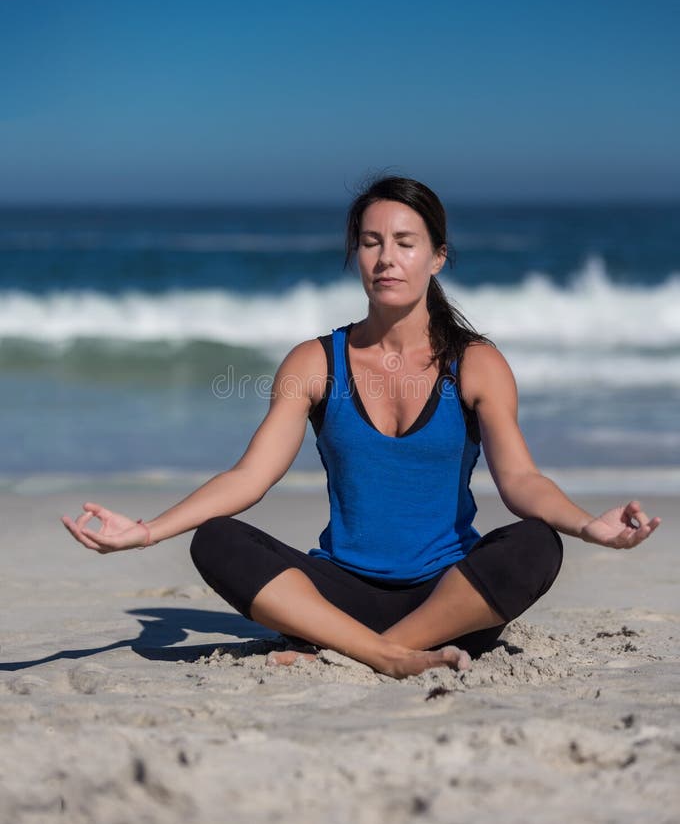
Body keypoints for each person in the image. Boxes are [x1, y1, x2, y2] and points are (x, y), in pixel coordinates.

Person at [62, 176, 660, 679]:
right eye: (371, 243)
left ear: (437, 256)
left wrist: (588, 525)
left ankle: (364, 648)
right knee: (215, 539)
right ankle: (384, 654)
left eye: (405, 242)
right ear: (356, 256)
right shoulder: (314, 362)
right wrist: (147, 531)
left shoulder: (476, 364)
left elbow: (521, 480)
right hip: (336, 595)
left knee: (537, 544)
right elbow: (250, 476)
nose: (386, 258)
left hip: (449, 600)